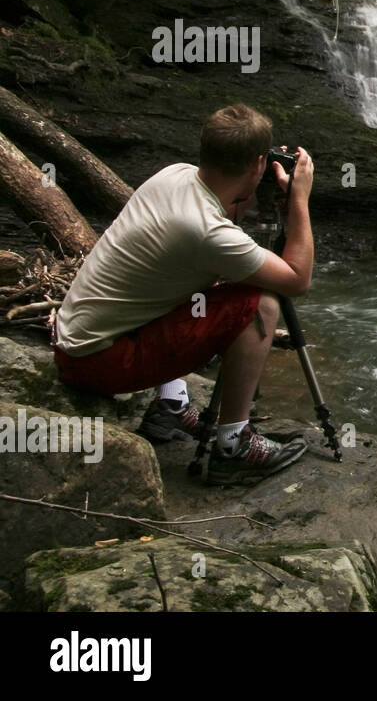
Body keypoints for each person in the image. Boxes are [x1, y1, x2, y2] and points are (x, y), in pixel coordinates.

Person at [51, 103, 316, 486]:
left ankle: (170, 402)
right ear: (260, 163)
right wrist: (299, 201)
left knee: (204, 279)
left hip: (77, 340)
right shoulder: (206, 232)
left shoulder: (174, 175)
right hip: (100, 362)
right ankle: (233, 447)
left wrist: (250, 194)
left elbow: (214, 239)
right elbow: (297, 279)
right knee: (262, 301)